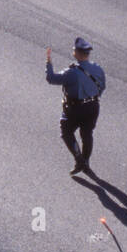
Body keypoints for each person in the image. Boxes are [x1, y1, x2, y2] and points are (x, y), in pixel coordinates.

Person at [45, 36, 106, 175]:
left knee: (66, 131)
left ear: (77, 53)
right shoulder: (98, 69)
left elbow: (51, 78)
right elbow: (102, 87)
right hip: (93, 106)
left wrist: (48, 62)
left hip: (75, 108)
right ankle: (86, 162)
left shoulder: (72, 72)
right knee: (87, 134)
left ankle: (79, 160)